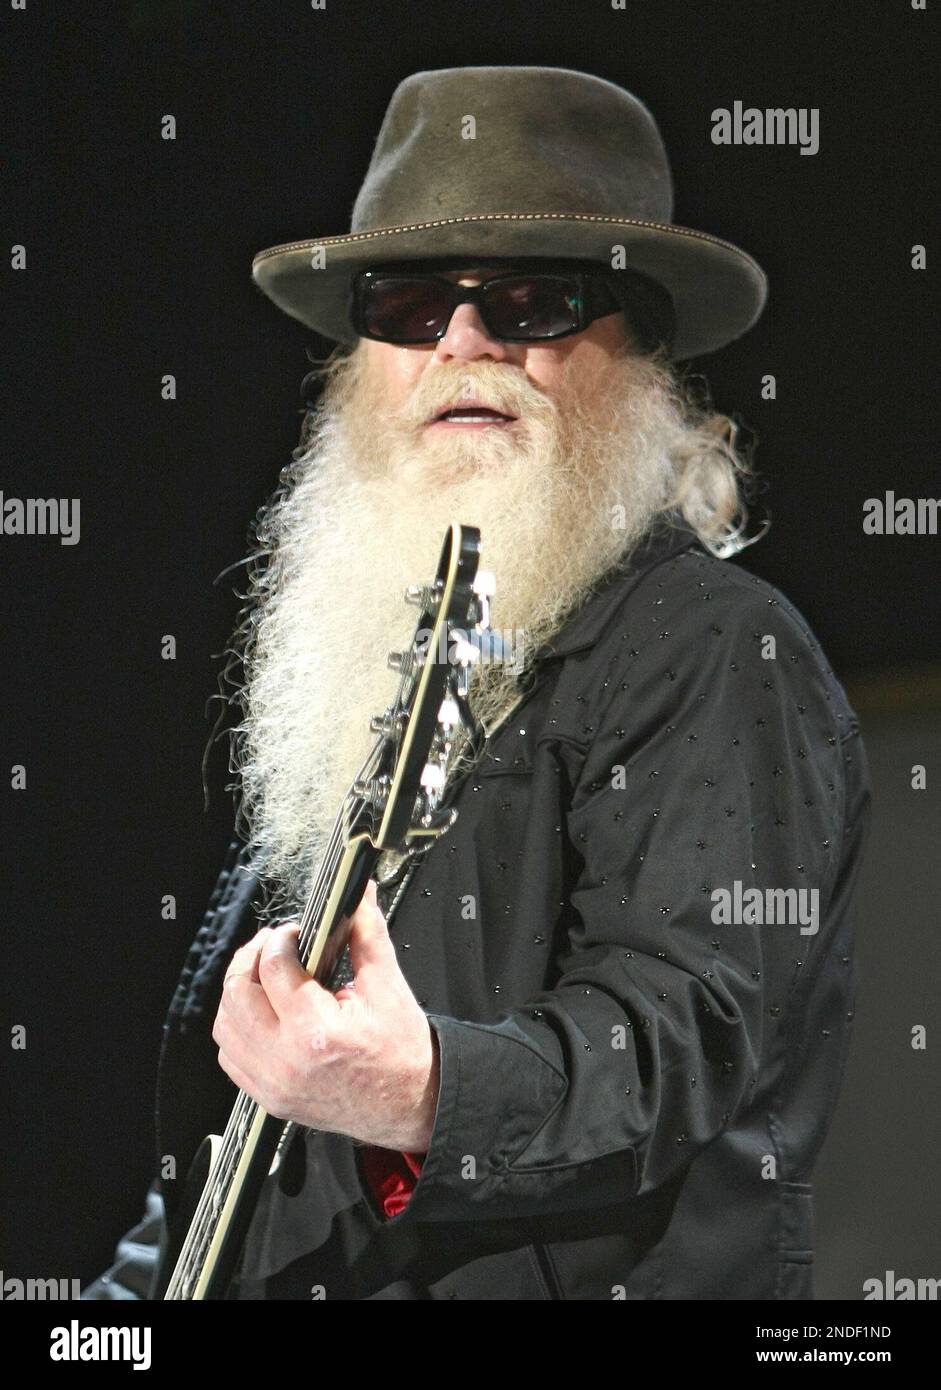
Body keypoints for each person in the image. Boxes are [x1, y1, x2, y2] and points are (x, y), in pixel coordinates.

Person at [83, 65, 871, 1301]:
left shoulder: (718, 648)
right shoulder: (361, 660)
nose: (461, 340)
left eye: (532, 299)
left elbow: (684, 1038)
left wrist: (423, 1089)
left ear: (639, 352)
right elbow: (243, 1160)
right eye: (403, 302)